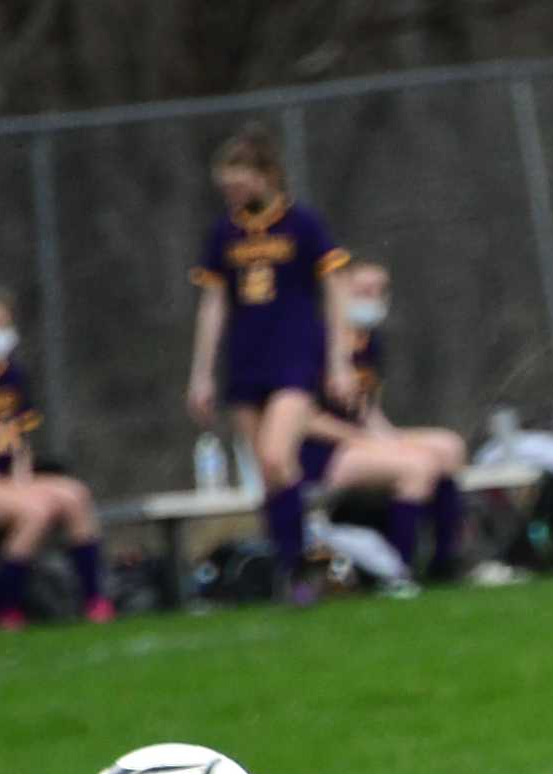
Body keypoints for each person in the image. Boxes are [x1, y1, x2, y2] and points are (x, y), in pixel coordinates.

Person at [186, 123, 354, 605]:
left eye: (240, 179)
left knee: (280, 457)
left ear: (265, 175)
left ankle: (299, 564)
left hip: (294, 357)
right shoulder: (224, 234)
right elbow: (214, 304)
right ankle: (294, 567)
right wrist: (200, 373)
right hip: (246, 361)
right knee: (267, 470)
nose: (232, 190)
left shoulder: (302, 224)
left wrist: (338, 361)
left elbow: (335, 287)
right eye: (226, 183)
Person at [297, 261, 468, 585]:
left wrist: (389, 439)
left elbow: (366, 410)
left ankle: (445, 561)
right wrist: (363, 439)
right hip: (320, 452)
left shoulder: (369, 342)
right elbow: (303, 419)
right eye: (363, 291)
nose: (373, 298)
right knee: (417, 467)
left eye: (379, 291)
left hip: (358, 442)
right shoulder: (316, 341)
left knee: (448, 447)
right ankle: (397, 570)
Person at [0, 292, 111, 629]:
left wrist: (23, 480)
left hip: (10, 480)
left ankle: (96, 602)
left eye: (5, 325)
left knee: (74, 495)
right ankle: (8, 609)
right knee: (36, 512)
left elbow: (20, 443)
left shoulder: (12, 376)